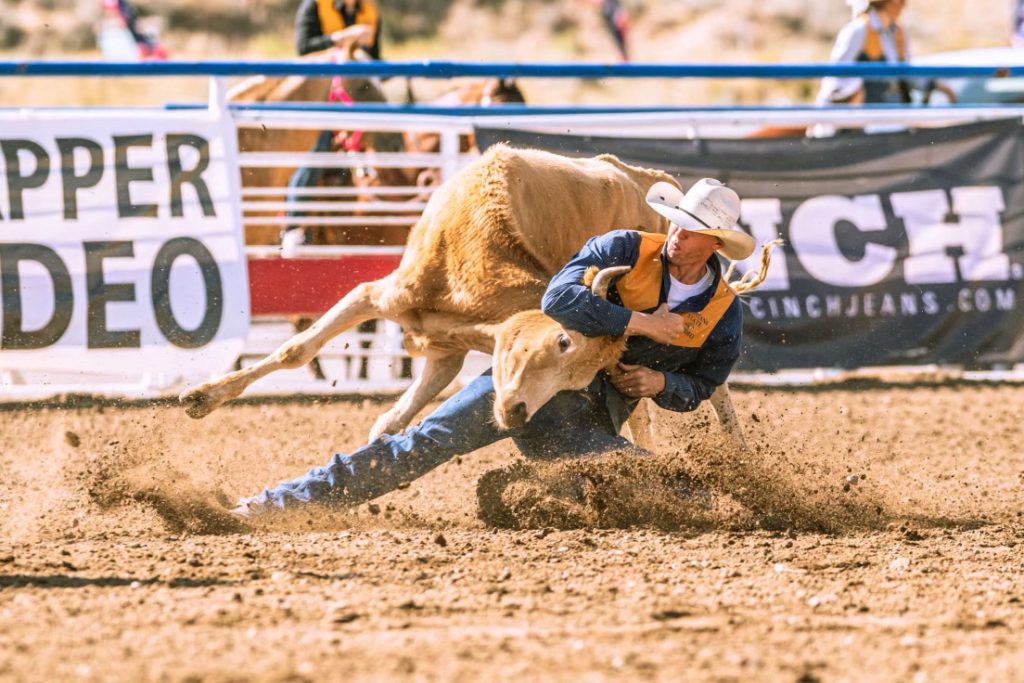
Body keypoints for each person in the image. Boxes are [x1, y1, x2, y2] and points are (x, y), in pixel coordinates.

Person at [230, 178, 756, 518]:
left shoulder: (722, 312)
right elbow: (558, 297)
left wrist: (662, 382)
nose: (676, 235)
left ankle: (546, 488)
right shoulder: (623, 247)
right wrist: (642, 323)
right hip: (526, 373)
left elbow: (702, 385)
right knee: (421, 443)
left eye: (692, 231)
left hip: (586, 415)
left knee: (647, 483)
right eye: (677, 223)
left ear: (715, 244)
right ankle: (276, 504)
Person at [284, 0, 383, 247]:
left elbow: (377, 60)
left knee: (388, 142)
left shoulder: (370, 10)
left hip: (357, 99)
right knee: (315, 154)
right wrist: (342, 38)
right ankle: (293, 227)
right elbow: (303, 49)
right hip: (320, 100)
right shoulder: (314, 6)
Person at [816, 0, 915, 105]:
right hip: (867, 110)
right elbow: (835, 77)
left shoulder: (899, 33)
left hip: (897, 108)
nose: (904, 5)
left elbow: (909, 74)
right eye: (900, 1)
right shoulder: (858, 30)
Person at [294, 0, 382, 58]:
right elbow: (303, 48)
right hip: (322, 71)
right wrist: (339, 38)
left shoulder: (371, 10)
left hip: (358, 74)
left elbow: (375, 56)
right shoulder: (316, 3)